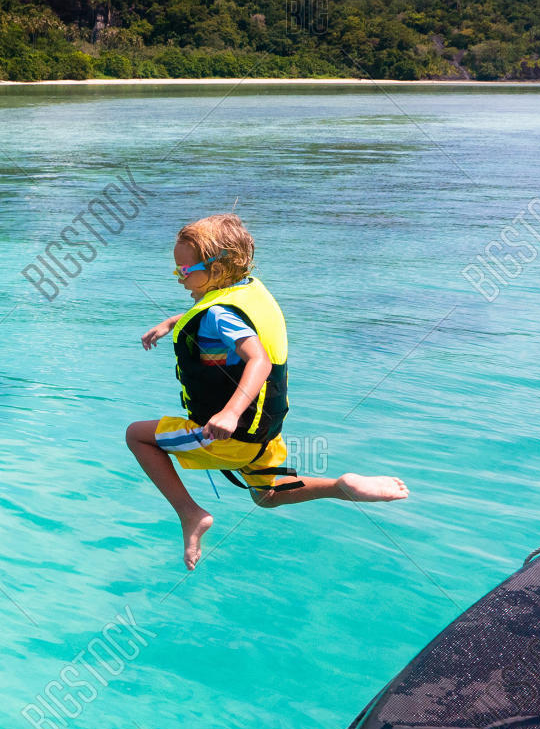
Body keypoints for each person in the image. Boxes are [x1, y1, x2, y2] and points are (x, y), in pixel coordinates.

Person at [125, 214, 408, 570]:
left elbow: (257, 359)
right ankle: (341, 486)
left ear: (218, 266)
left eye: (183, 270)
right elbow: (218, 317)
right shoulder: (249, 291)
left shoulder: (219, 315)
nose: (177, 276)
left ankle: (190, 513)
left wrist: (228, 412)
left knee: (137, 436)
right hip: (264, 431)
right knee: (268, 495)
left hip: (225, 434)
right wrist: (173, 322)